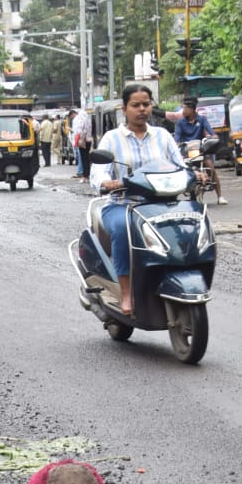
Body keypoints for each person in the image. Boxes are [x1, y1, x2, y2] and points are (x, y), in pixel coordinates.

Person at [90, 83, 186, 317]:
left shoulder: (162, 136)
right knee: (124, 230)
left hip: (162, 204)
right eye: (135, 105)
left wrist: (195, 174)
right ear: (125, 109)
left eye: (146, 104)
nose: (142, 109)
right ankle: (125, 291)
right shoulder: (112, 139)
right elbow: (98, 173)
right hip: (123, 205)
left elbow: (180, 165)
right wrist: (107, 182)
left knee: (189, 221)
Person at [173, 97, 227, 205]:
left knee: (210, 167)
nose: (183, 111)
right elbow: (177, 137)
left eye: (185, 109)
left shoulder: (202, 119)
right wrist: (177, 143)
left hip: (200, 151)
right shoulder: (180, 122)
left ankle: (220, 196)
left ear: (192, 110)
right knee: (178, 170)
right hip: (187, 152)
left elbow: (210, 130)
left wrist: (213, 136)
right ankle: (173, 198)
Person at [70, 107, 92, 182]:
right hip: (88, 140)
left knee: (83, 158)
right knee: (87, 158)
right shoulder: (88, 120)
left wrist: (76, 136)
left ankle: (85, 176)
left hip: (82, 141)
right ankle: (87, 175)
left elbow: (79, 129)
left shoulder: (80, 119)